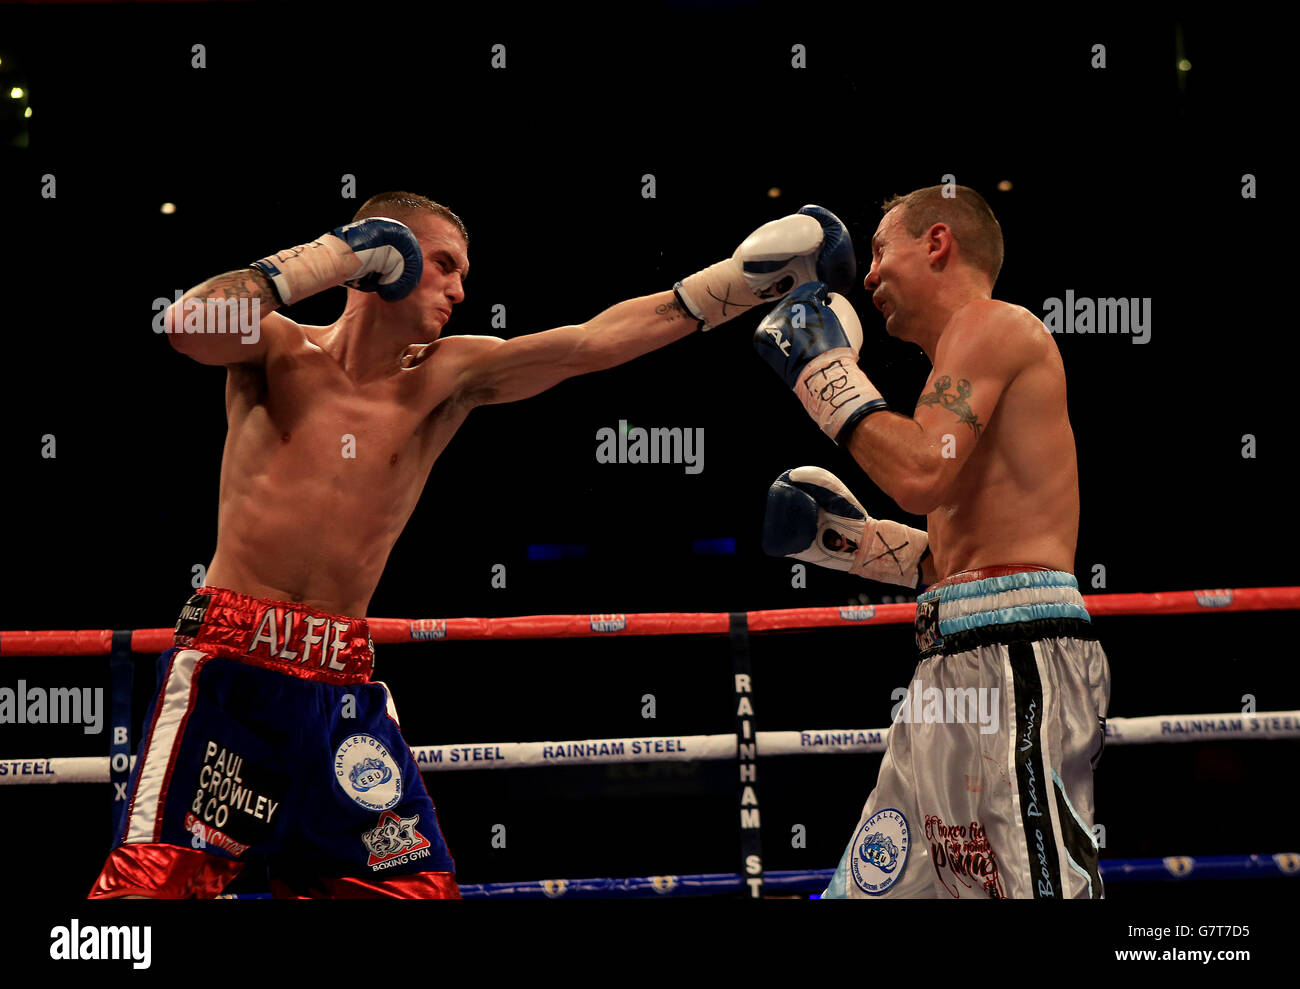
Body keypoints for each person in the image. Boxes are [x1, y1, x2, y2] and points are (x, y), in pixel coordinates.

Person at [88, 191, 855, 898]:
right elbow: (186, 325)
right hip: (232, 669)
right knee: (149, 889)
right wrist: (332, 253)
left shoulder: (447, 376)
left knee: (414, 889)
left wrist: (746, 279)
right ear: (384, 264)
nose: (459, 290)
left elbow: (591, 343)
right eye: (445, 264)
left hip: (340, 687)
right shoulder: (276, 349)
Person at [757, 185, 1109, 899]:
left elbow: (919, 470)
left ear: (939, 242)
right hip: (954, 662)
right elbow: (960, 551)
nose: (871, 275)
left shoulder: (994, 324)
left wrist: (825, 375)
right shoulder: (959, 365)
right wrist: (855, 544)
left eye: (883, 249)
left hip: (1016, 655)